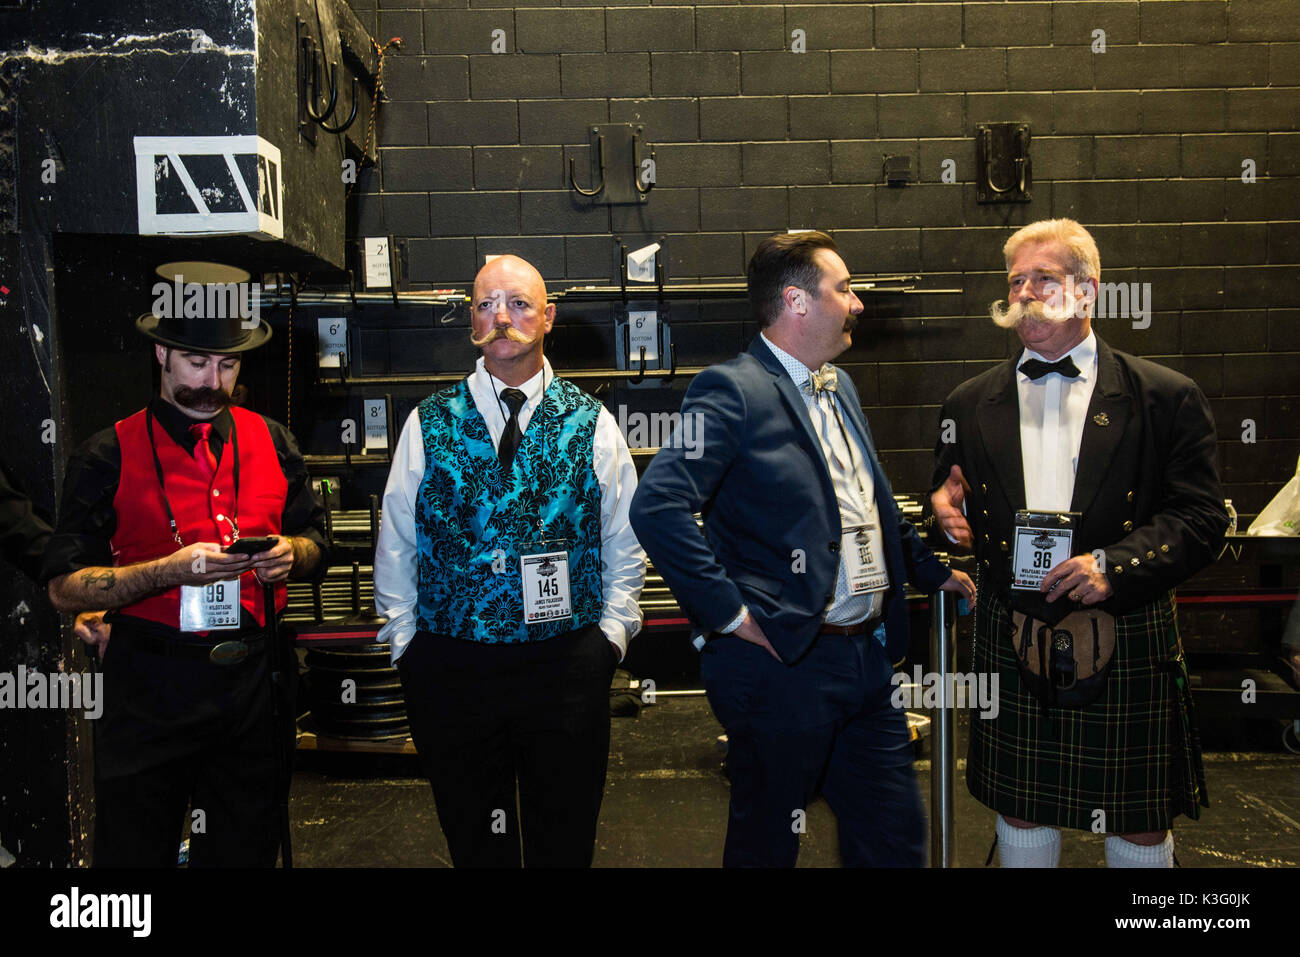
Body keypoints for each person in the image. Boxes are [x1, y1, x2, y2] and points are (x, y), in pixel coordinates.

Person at [630, 230, 975, 867]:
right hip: (783, 665)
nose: (858, 303)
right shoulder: (729, 389)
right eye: (844, 288)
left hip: (867, 659)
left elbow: (866, 501)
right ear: (796, 301)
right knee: (768, 845)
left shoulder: (838, 385)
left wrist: (932, 571)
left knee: (894, 840)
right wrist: (730, 616)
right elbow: (657, 506)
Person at [929, 218, 1228, 868]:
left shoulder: (1164, 398)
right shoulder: (968, 402)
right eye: (1015, 281)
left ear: (1088, 290)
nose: (1025, 293)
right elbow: (947, 508)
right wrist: (942, 517)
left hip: (1125, 626)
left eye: (1044, 278)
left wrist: (1115, 566)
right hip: (1014, 628)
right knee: (1021, 804)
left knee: (1138, 817)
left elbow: (1203, 518)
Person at [374, 254, 645, 868]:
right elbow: (396, 538)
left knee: (564, 839)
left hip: (565, 663)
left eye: (519, 304)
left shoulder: (593, 421)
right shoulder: (428, 422)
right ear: (471, 320)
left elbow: (623, 537)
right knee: (476, 842)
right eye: (486, 305)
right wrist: (405, 645)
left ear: (548, 316)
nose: (502, 318)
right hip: (452, 667)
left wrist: (611, 636)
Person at [43, 305, 327, 867]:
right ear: (162, 354)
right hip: (151, 685)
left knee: (246, 845)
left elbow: (319, 540)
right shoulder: (106, 453)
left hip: (255, 680)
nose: (211, 382)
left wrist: (293, 555)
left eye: (226, 365)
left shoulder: (274, 439)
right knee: (134, 849)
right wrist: (165, 572)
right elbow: (64, 589)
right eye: (196, 363)